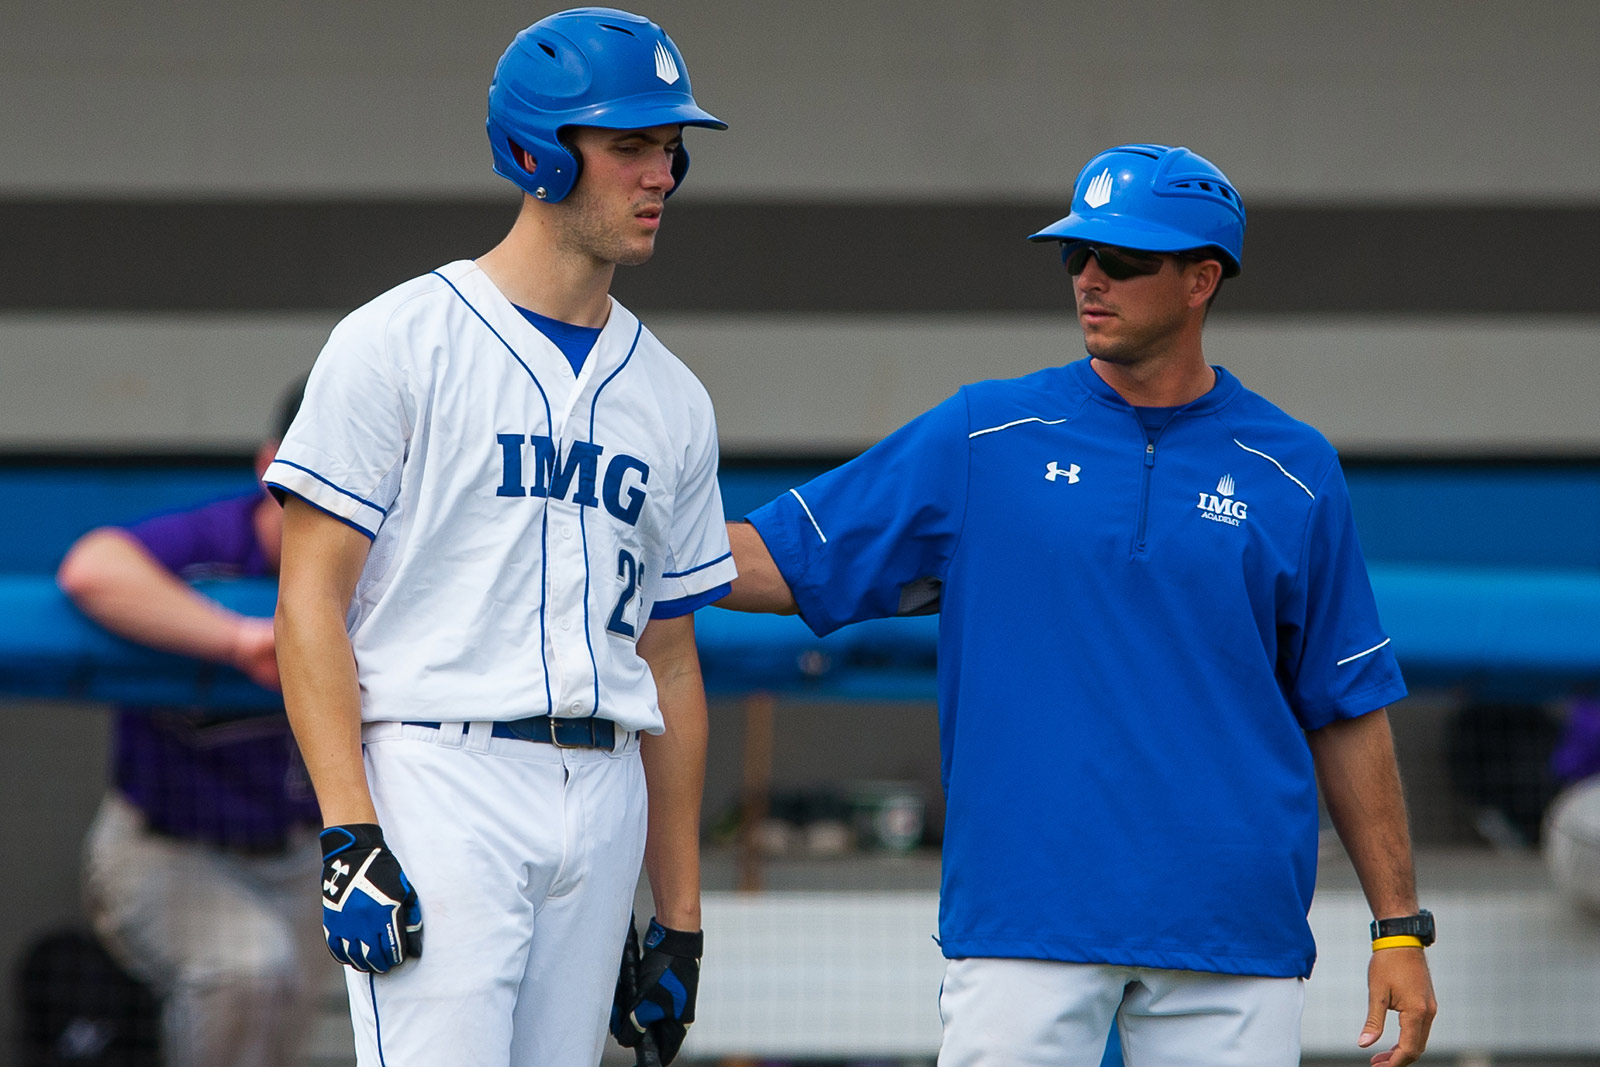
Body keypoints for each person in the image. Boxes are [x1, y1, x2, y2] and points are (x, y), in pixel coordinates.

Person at [720, 144, 1438, 1067]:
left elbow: (1347, 706)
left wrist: (1397, 929)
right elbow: (784, 560)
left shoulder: (1293, 468)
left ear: (1201, 280)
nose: (1090, 278)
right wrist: (605, 543)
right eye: (1076, 255)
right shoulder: (984, 432)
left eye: (1122, 260)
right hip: (1027, 913)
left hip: (1230, 931)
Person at [264, 10, 733, 1067]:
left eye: (669, 148)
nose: (659, 174)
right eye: (629, 146)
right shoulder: (398, 341)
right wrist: (350, 833)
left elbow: (668, 657)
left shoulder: (673, 396)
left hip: (604, 788)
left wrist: (681, 913)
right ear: (537, 151)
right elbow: (307, 604)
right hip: (440, 771)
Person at [56, 379, 325, 1067]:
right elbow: (91, 569)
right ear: (271, 464)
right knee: (246, 969)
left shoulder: (369, 567)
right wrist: (236, 640)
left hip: (295, 854)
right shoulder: (219, 541)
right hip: (167, 847)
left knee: (281, 1029)